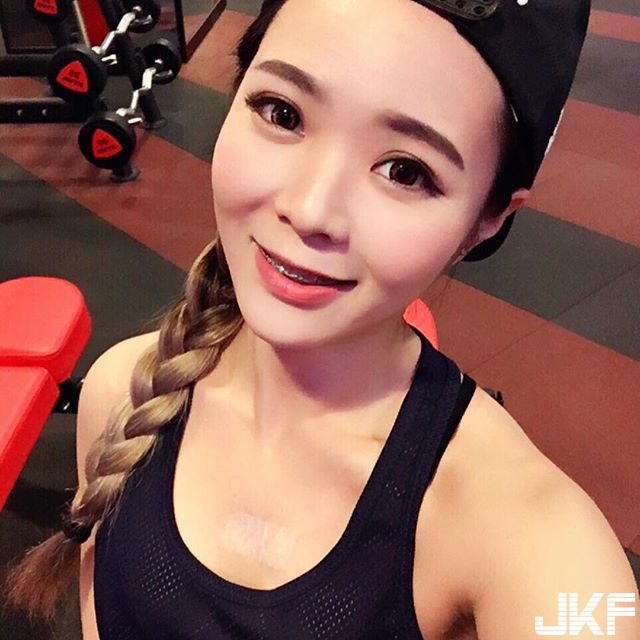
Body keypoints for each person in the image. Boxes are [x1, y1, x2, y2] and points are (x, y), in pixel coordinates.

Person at [6, 0, 639, 638]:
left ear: (487, 221)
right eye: (282, 113)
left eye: (406, 172)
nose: (310, 210)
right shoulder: (121, 393)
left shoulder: (535, 542)